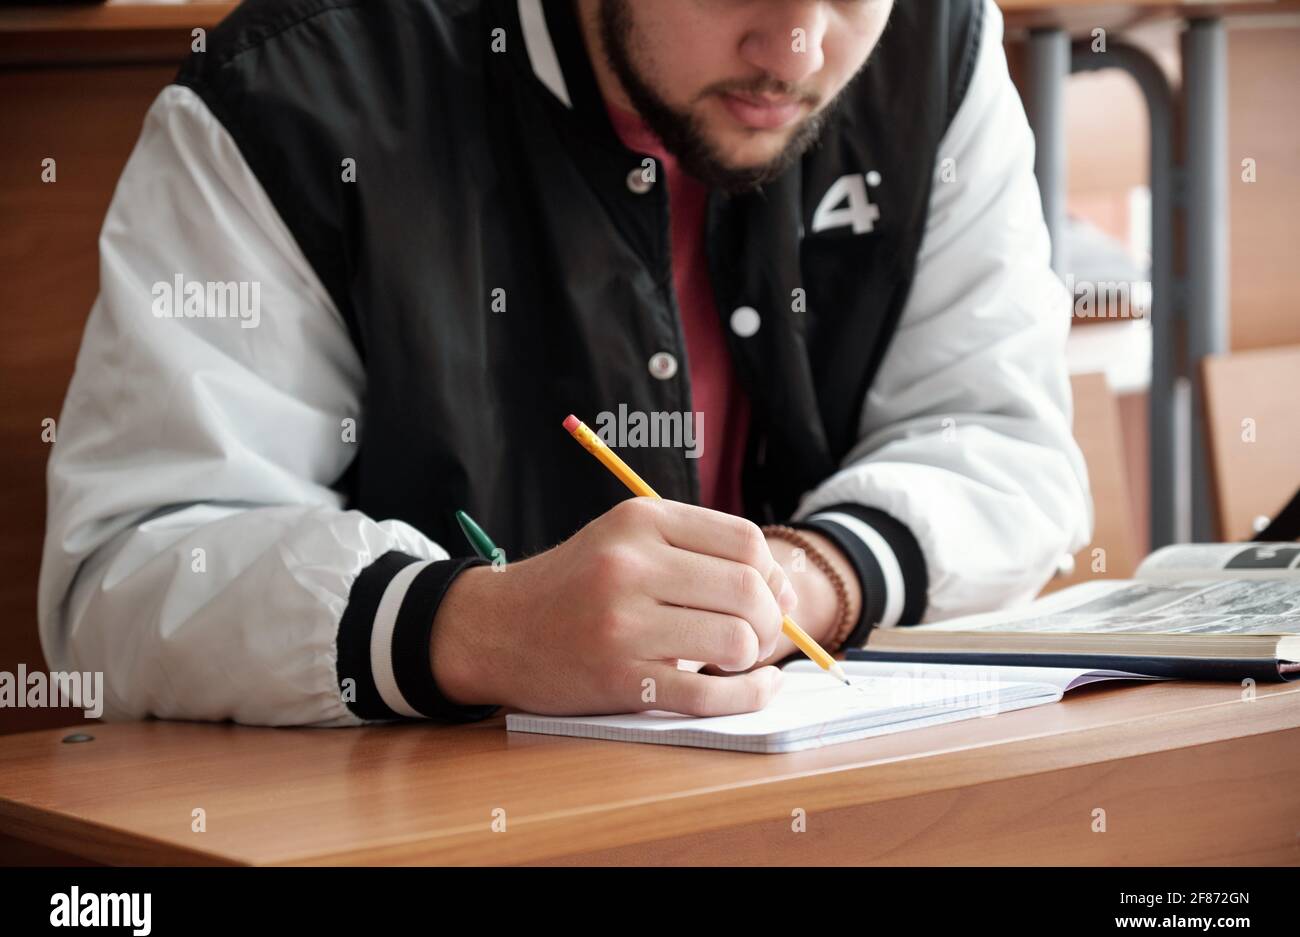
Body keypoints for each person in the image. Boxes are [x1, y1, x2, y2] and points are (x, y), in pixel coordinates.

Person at [39, 0, 1092, 727]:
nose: (796, 49)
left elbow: (1004, 441)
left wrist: (805, 581)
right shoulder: (296, 95)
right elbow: (123, 577)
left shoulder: (934, 49)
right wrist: (471, 628)